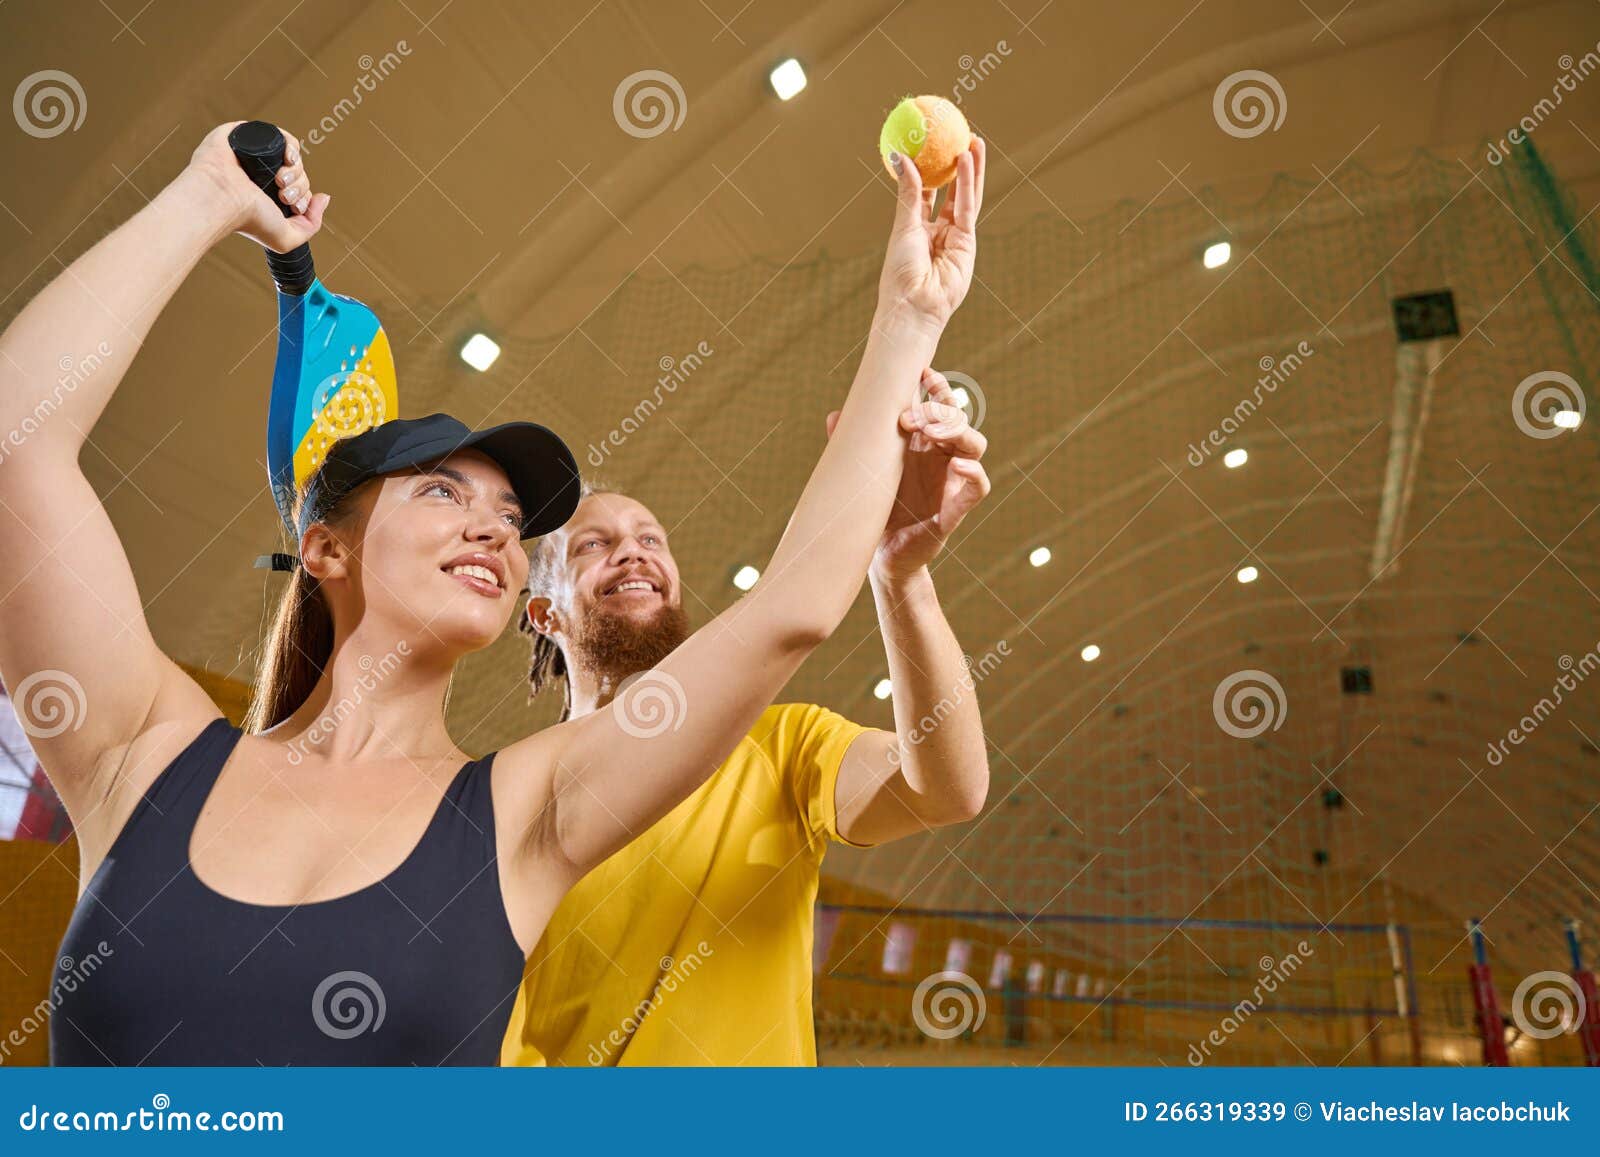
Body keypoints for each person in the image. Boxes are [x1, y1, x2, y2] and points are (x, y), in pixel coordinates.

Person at [0, 120, 985, 1065]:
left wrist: (908, 318)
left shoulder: (525, 810)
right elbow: (16, 443)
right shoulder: (144, 749)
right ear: (325, 549)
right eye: (442, 490)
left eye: (513, 518)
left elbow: (793, 607)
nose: (493, 526)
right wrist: (206, 196)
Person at [499, 367, 992, 1063]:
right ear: (544, 613)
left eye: (651, 538)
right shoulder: (506, 796)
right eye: (594, 544)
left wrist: (901, 577)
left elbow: (948, 789)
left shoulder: (783, 744)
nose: (633, 551)